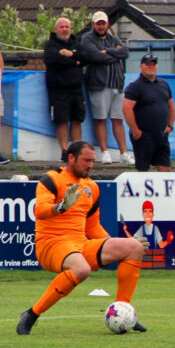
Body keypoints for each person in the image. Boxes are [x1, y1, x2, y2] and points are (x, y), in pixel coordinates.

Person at [16, 141, 148, 335]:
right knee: (82, 269)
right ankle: (31, 314)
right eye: (86, 160)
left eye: (93, 161)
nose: (91, 165)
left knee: (134, 247)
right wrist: (60, 207)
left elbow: (92, 226)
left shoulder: (91, 187)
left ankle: (122, 311)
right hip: (51, 244)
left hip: (79, 245)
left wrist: (111, 244)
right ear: (71, 158)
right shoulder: (52, 179)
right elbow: (40, 211)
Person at [80, 11, 132, 165]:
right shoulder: (87, 38)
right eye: (98, 23)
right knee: (100, 118)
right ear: (93, 24)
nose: (101, 26)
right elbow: (96, 56)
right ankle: (104, 152)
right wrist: (115, 54)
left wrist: (108, 51)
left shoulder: (113, 38)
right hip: (99, 84)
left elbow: (125, 52)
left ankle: (124, 153)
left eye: (103, 23)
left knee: (118, 119)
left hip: (117, 84)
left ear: (108, 24)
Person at [43, 17, 87, 162]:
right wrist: (75, 61)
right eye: (62, 27)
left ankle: (77, 149)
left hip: (76, 89)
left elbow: (87, 57)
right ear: (56, 30)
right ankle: (64, 150)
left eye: (67, 27)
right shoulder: (50, 45)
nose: (65, 29)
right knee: (62, 120)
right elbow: (52, 60)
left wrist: (72, 55)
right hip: (58, 90)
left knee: (77, 119)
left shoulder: (77, 43)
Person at [123, 50, 175, 173]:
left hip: (161, 135)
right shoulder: (135, 86)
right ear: (141, 66)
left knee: (165, 168)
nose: (151, 67)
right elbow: (126, 109)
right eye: (148, 64)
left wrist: (170, 126)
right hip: (143, 135)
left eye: (153, 64)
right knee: (142, 170)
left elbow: (171, 106)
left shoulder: (164, 84)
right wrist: (136, 131)